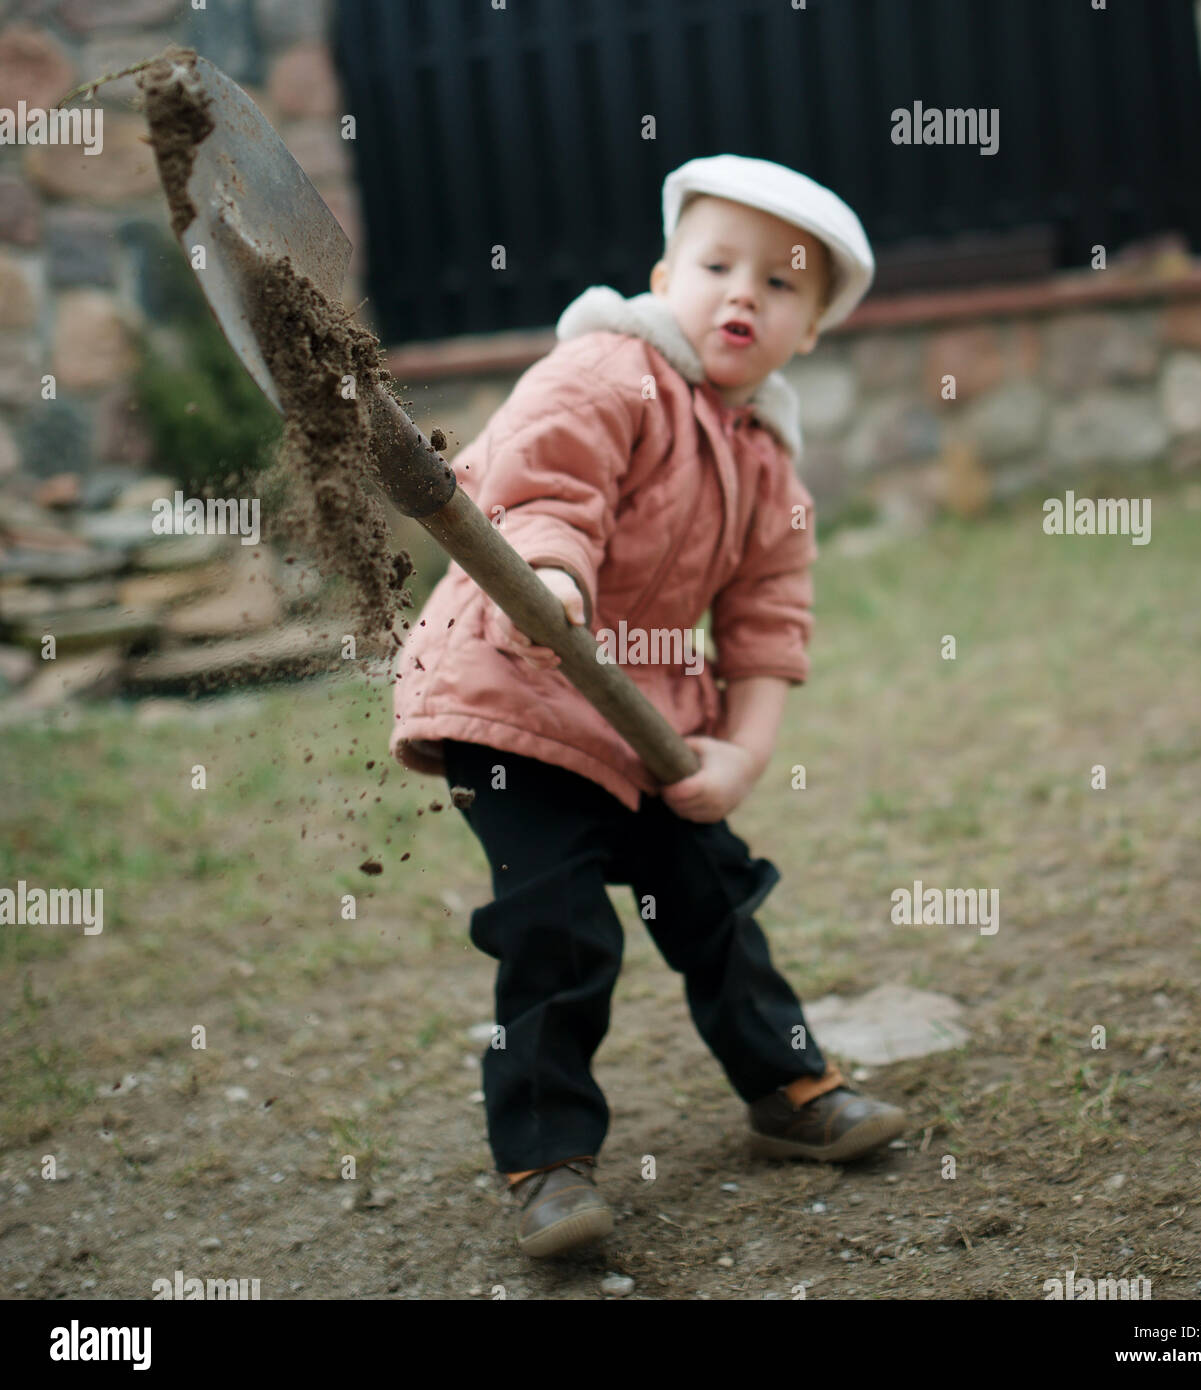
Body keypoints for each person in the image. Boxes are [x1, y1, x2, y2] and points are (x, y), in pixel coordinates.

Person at [390, 154, 907, 1258]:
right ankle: (547, 1164)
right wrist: (555, 579)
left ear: (809, 331)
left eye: (781, 284)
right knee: (558, 927)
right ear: (663, 273)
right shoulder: (604, 369)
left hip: (644, 721)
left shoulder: (768, 461)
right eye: (718, 263)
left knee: (714, 897)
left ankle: (789, 1088)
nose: (742, 294)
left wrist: (740, 755)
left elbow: (769, 622)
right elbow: (542, 486)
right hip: (513, 695)